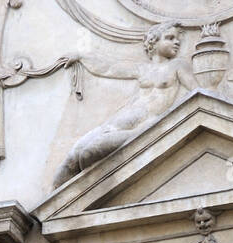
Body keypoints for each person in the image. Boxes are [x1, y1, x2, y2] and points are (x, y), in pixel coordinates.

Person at [53, 23, 195, 187]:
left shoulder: (177, 66)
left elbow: (196, 91)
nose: (176, 42)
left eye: (177, 39)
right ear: (154, 42)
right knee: (73, 155)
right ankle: (46, 205)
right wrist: (81, 57)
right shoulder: (142, 68)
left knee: (88, 153)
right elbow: (110, 68)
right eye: (170, 38)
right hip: (120, 120)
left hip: (145, 124)